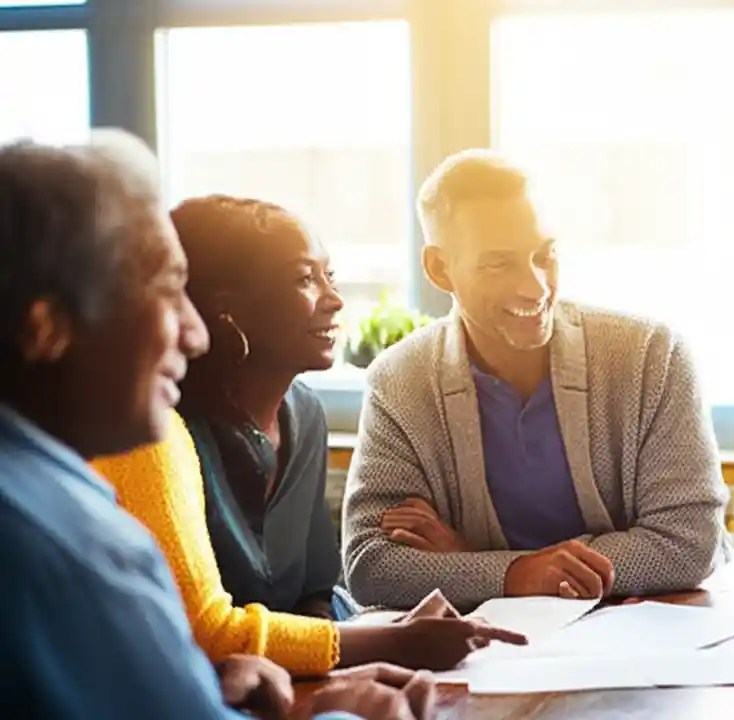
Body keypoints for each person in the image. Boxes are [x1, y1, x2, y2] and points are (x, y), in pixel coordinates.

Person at [0, 132, 433, 719]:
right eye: (166, 291)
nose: (196, 333)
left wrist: (205, 685)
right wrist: (350, 714)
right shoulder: (78, 548)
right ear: (46, 328)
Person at [91, 194, 525, 676]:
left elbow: (314, 595)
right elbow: (202, 634)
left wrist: (372, 642)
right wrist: (387, 643)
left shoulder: (306, 414)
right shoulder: (160, 431)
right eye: (304, 278)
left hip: (288, 685)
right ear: (225, 308)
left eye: (329, 276)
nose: (335, 299)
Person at [343, 149, 730, 610]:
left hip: (651, 635)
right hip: (492, 653)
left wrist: (493, 569)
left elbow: (689, 544)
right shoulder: (399, 381)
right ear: (439, 269)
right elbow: (372, 567)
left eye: (545, 255)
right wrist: (516, 574)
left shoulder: (654, 355)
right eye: (498, 264)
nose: (536, 287)